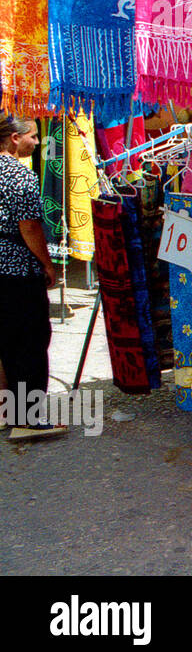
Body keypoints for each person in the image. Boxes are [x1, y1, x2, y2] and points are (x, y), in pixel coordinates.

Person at [0, 115, 66, 440]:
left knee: (5, 342)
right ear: (14, 138)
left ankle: (6, 412)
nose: (38, 143)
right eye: (33, 137)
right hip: (17, 271)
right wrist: (47, 263)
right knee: (29, 343)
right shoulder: (18, 175)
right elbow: (29, 227)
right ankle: (27, 420)